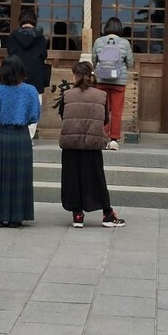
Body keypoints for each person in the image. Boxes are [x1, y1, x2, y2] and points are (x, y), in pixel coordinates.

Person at [60, 61, 126, 229]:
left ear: (75, 76)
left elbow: (63, 115)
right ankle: (107, 213)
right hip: (92, 143)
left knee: (72, 178)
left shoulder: (67, 95)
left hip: (71, 143)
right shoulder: (100, 95)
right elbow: (105, 119)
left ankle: (77, 214)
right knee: (96, 178)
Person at [0, 54, 41, 228]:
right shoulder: (30, 91)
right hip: (21, 137)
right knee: (19, 177)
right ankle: (16, 216)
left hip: (1, 135)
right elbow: (34, 115)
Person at [91, 16, 134, 149]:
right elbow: (130, 63)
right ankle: (114, 139)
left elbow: (94, 60)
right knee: (116, 111)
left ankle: (103, 137)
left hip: (101, 80)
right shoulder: (125, 43)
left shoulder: (98, 41)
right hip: (119, 82)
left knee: (102, 110)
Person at [6, 7, 51, 96]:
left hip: (16, 75)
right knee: (34, 106)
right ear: (34, 20)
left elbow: (9, 53)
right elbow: (44, 55)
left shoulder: (13, 36)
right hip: (36, 76)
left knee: (16, 105)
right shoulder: (40, 37)